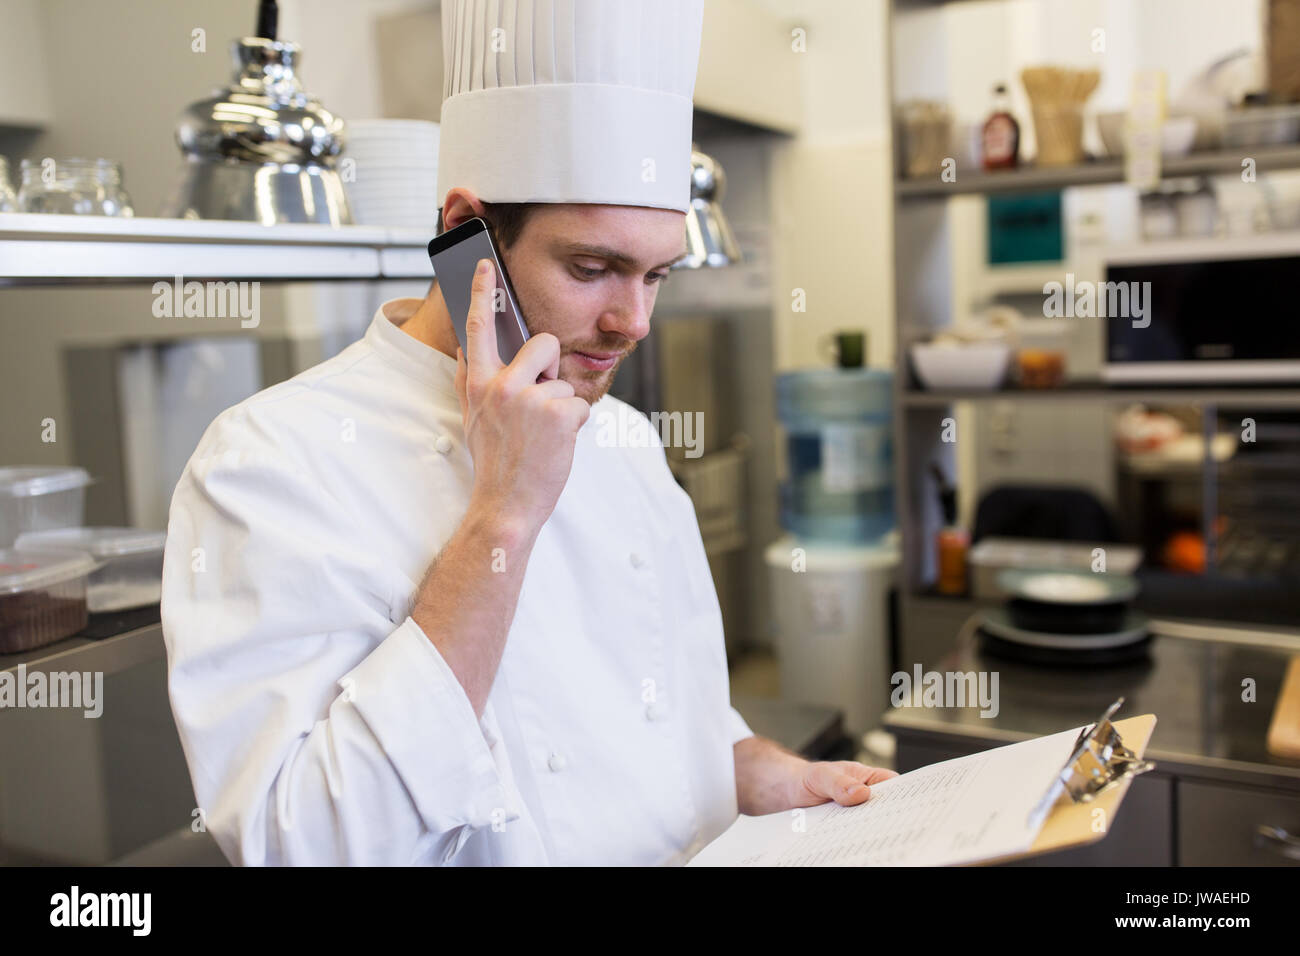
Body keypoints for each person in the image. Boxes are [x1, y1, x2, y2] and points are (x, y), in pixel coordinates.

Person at [160, 0, 895, 867]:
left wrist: (757, 773)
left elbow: (671, 724)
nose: (634, 322)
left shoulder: (623, 439)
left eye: (657, 274)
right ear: (466, 229)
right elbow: (306, 846)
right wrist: (502, 517)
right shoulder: (270, 464)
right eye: (592, 268)